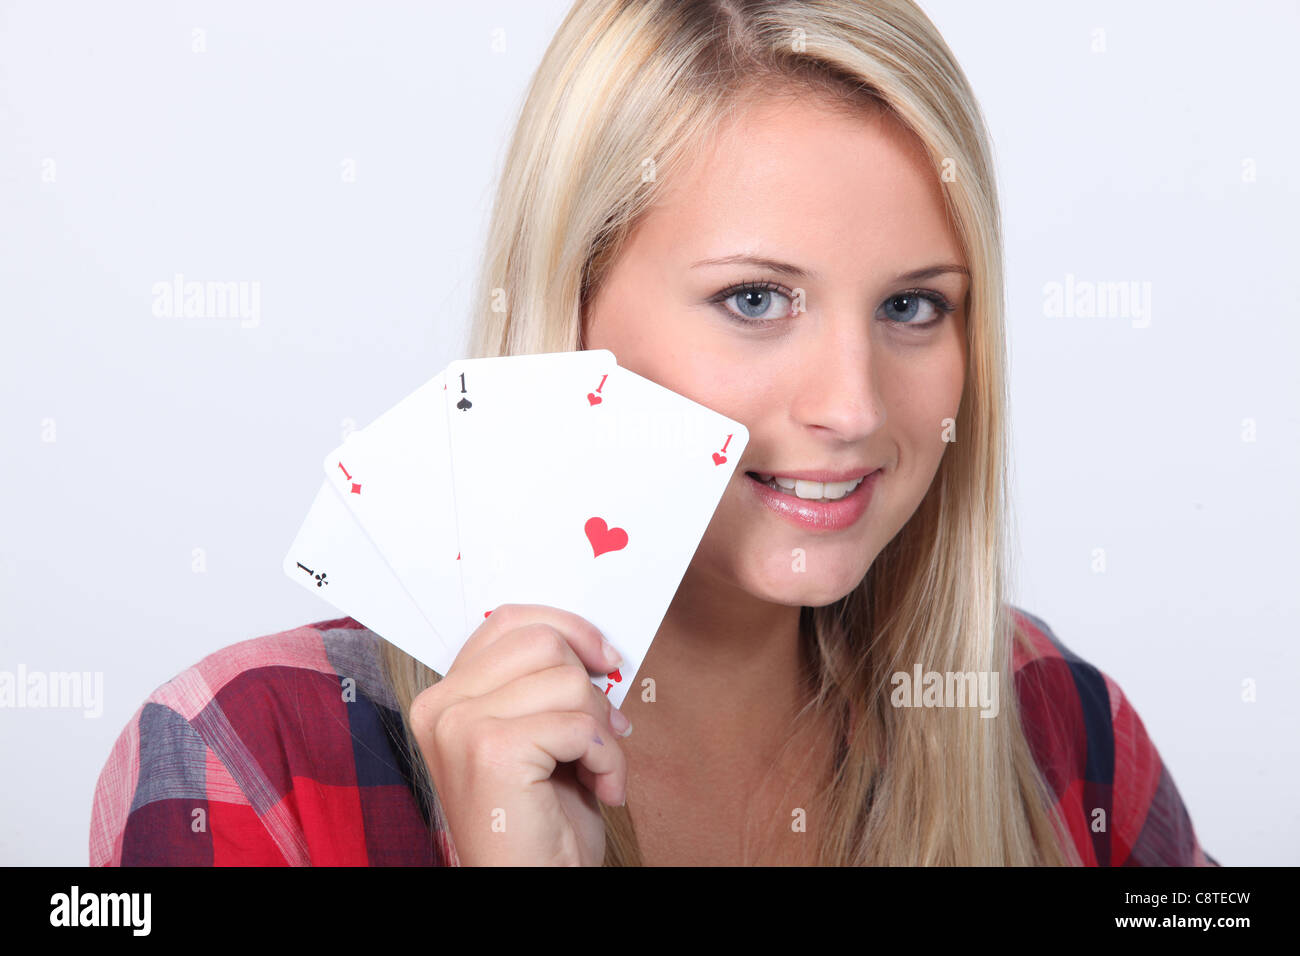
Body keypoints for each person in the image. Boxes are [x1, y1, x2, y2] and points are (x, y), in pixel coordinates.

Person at [90, 0, 1217, 866]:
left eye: (911, 305)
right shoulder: (248, 754)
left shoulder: (1058, 723)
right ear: (569, 307)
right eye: (756, 299)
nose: (855, 406)